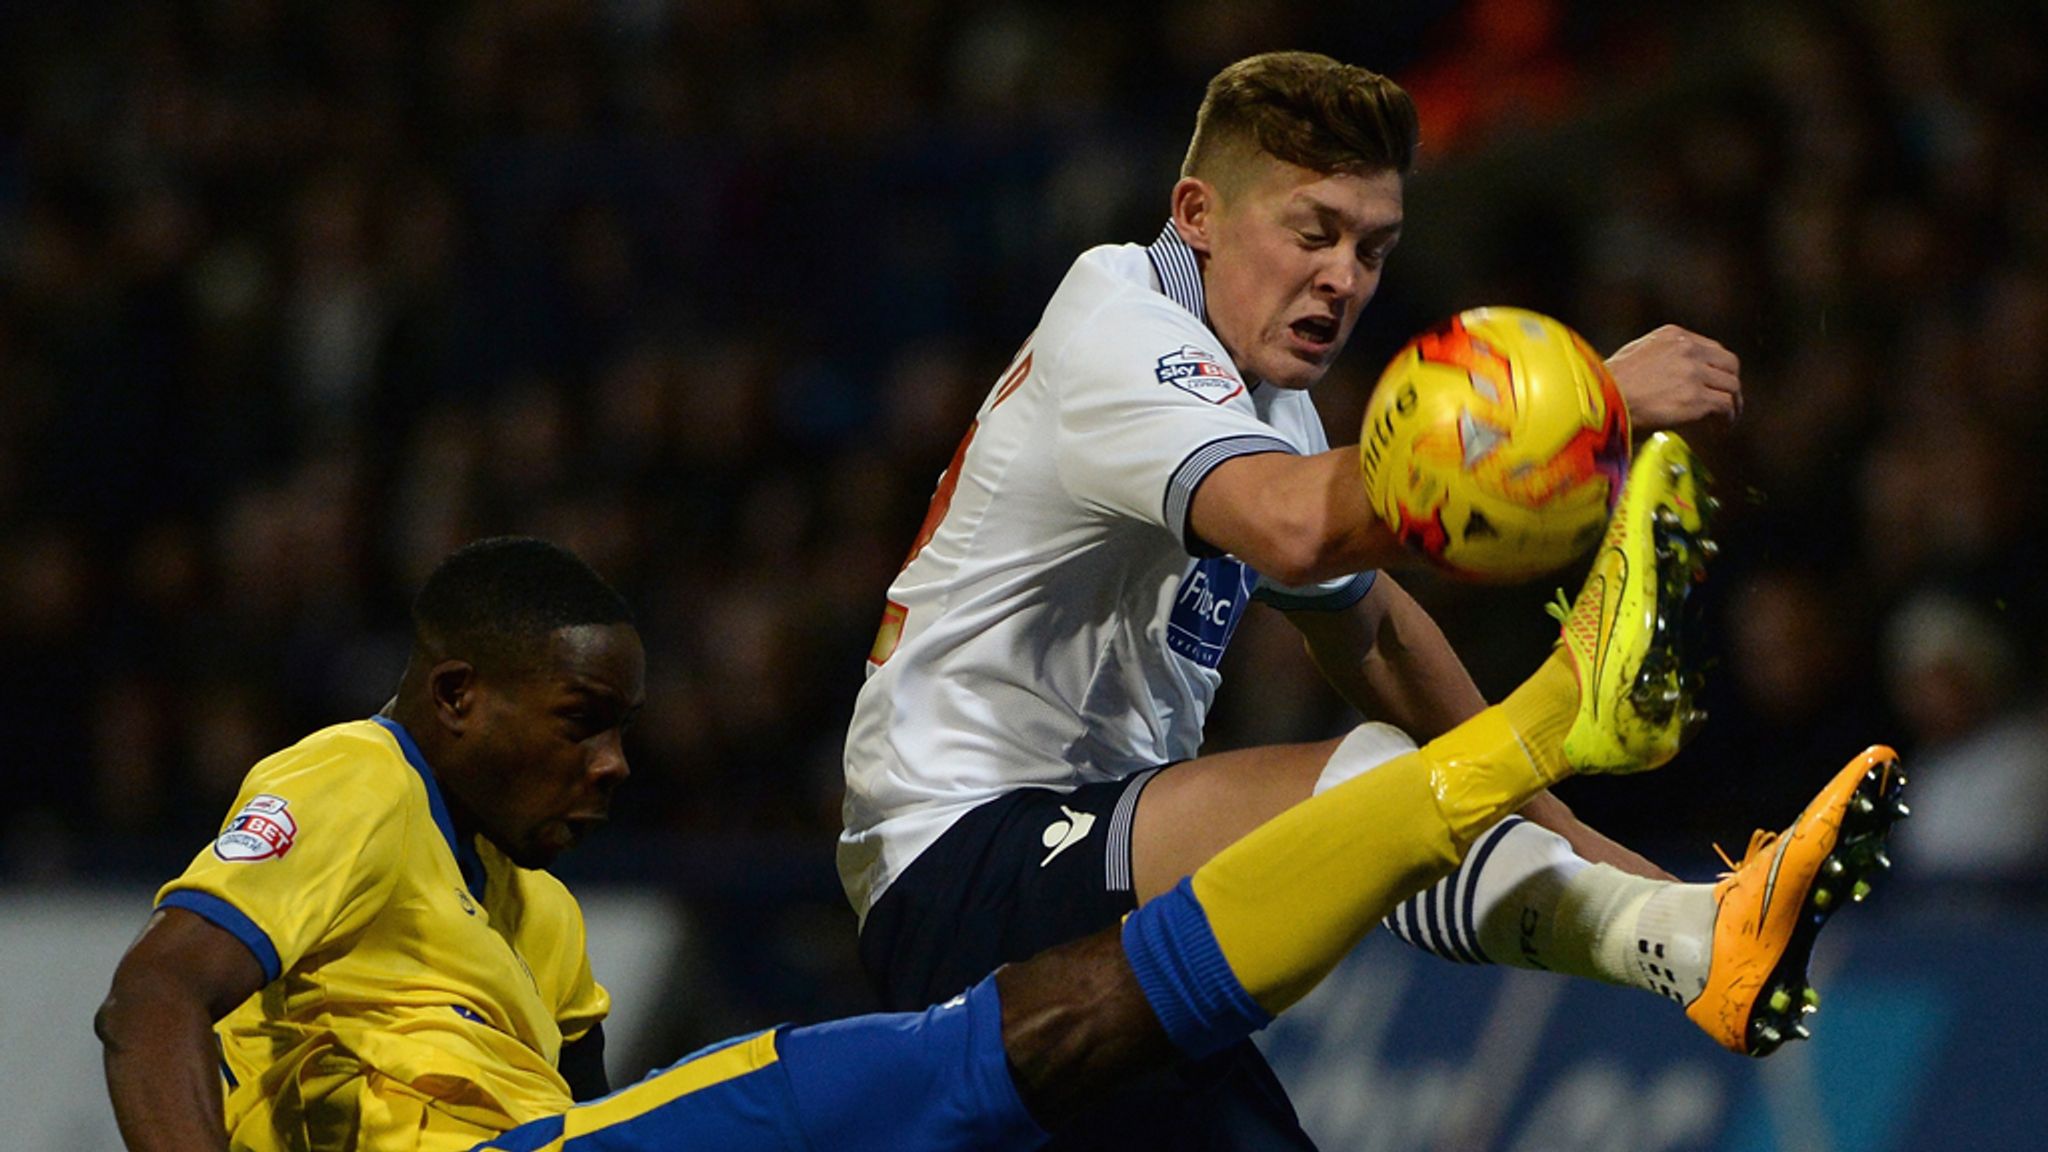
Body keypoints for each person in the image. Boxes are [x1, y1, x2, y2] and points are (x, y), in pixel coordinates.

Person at [97, 446, 1903, 1151]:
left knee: (1044, 1062)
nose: (614, 762)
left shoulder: (547, 920)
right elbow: (153, 994)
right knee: (1030, 1034)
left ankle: (1552, 779)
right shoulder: (353, 774)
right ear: (451, 696)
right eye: (576, 724)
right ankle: (1523, 732)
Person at [836, 50, 1766, 1150]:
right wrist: (1591, 400)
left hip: (1096, 888)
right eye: (1311, 232)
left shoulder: (1268, 405)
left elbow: (1371, 629)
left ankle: (1689, 938)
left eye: (1372, 249)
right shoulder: (1120, 325)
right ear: (1197, 214)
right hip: (963, 863)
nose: (1343, 278)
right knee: (1370, 784)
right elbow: (1293, 525)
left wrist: (1611, 859)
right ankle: (1675, 946)